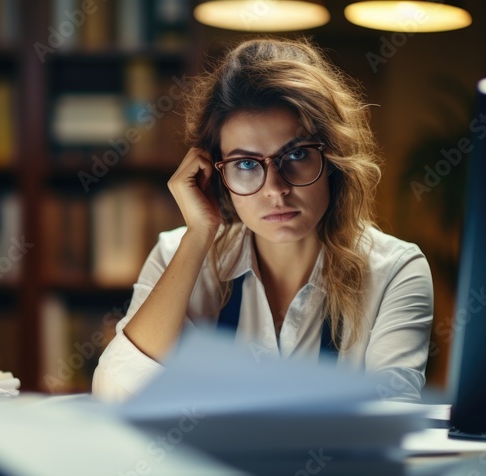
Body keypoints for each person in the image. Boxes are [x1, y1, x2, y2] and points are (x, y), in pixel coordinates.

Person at [92, 37, 433, 402]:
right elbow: (117, 394)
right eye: (246, 164)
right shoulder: (178, 253)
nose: (275, 189)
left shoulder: (396, 270)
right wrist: (199, 234)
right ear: (216, 172)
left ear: (333, 159)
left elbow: (391, 415)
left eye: (297, 154)